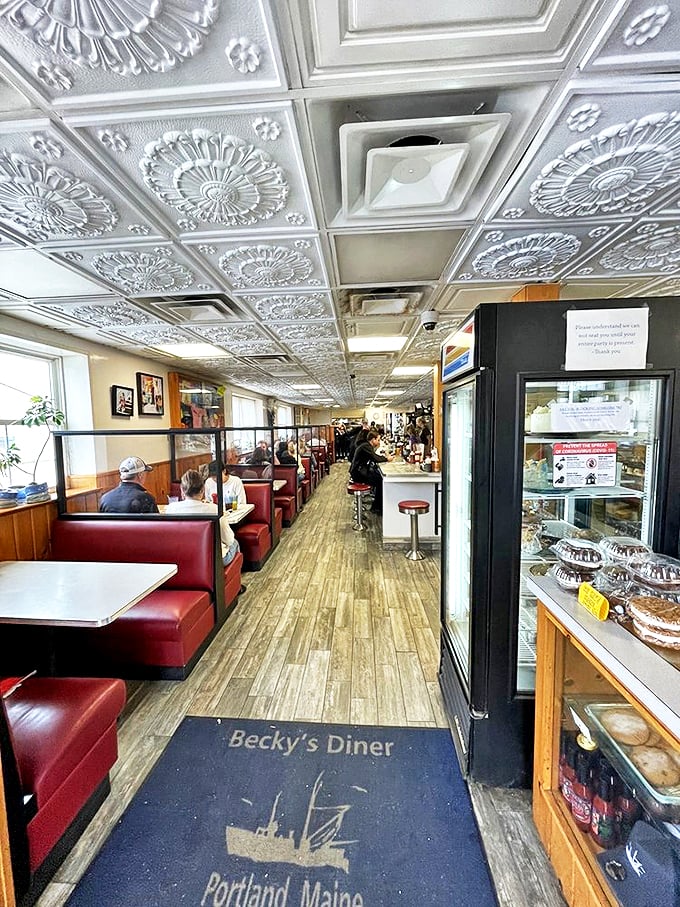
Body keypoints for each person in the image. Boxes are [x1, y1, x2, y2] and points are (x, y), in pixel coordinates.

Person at [166, 469, 240, 566]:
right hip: (212, 559)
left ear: (182, 490)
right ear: (202, 490)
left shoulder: (171, 509)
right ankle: (231, 579)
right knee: (235, 542)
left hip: (182, 557)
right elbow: (229, 539)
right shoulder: (215, 510)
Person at [350, 430, 393, 515]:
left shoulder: (365, 445)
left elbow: (374, 456)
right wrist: (387, 459)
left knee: (378, 477)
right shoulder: (366, 446)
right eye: (378, 440)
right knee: (380, 481)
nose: (379, 441)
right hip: (358, 473)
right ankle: (377, 507)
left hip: (359, 471)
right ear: (373, 439)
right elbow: (375, 458)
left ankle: (377, 505)